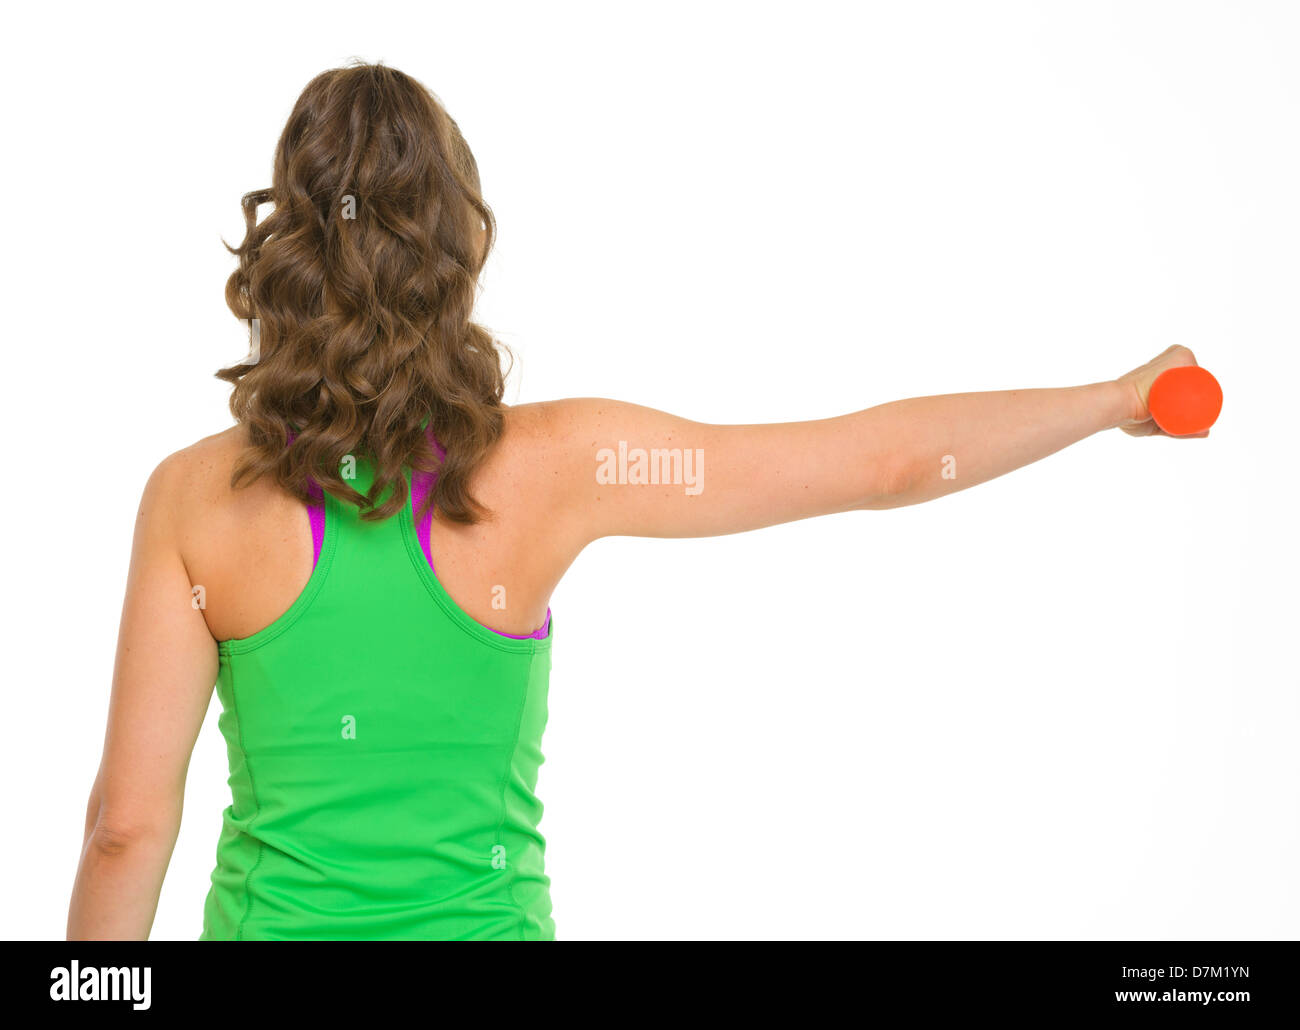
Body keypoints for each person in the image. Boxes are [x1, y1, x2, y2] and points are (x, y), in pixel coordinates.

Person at [65, 61, 1207, 941]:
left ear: (292, 250)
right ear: (457, 247)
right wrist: (1117, 397)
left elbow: (126, 829)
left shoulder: (195, 500)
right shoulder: (564, 464)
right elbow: (886, 463)